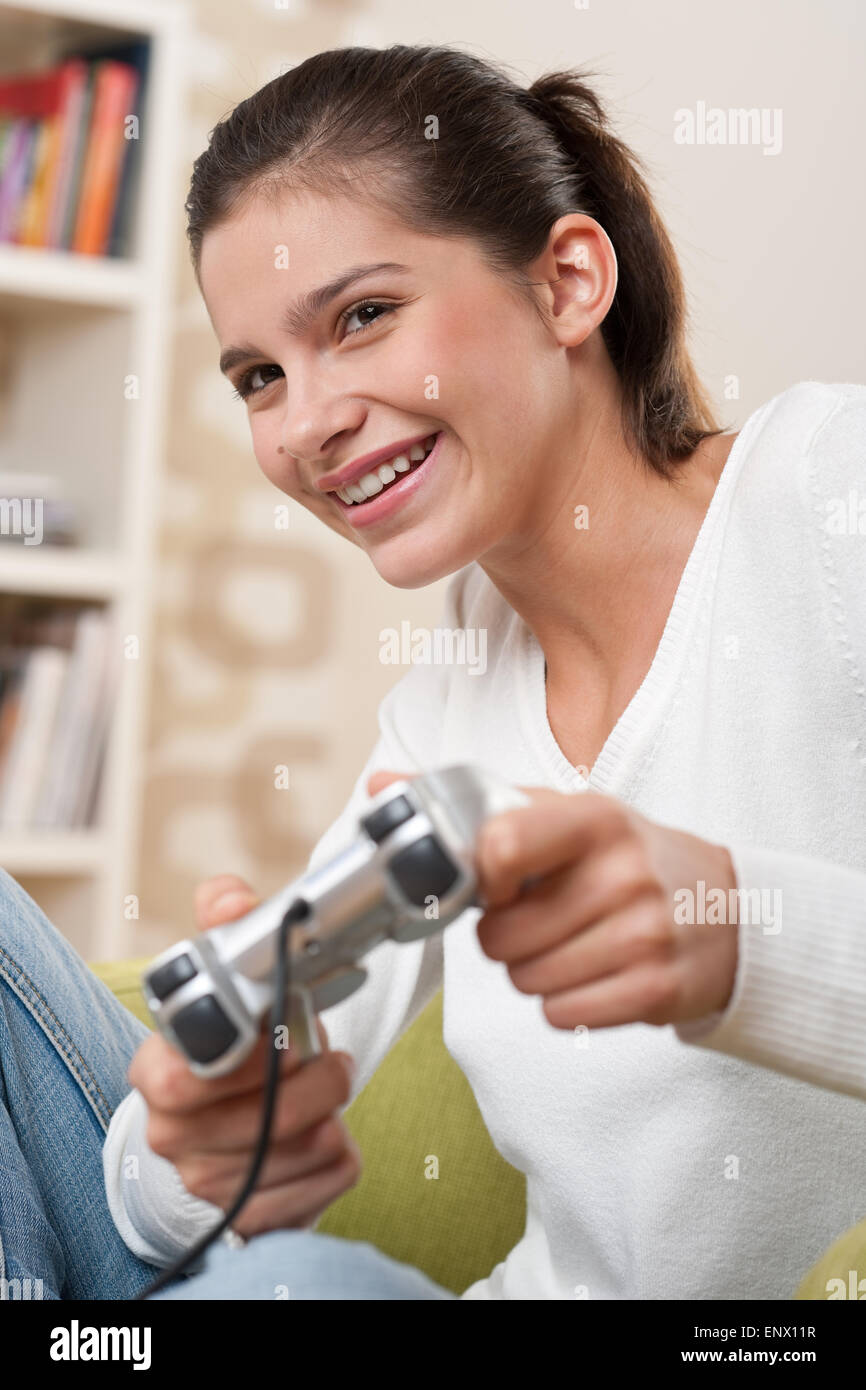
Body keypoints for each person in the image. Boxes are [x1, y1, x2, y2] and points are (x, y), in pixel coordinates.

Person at [2, 43, 865, 1302]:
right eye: (259, 377)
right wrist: (212, 1138)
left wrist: (745, 940)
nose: (304, 426)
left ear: (567, 282)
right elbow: (147, 1202)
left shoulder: (826, 496)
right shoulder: (449, 699)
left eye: (360, 317)